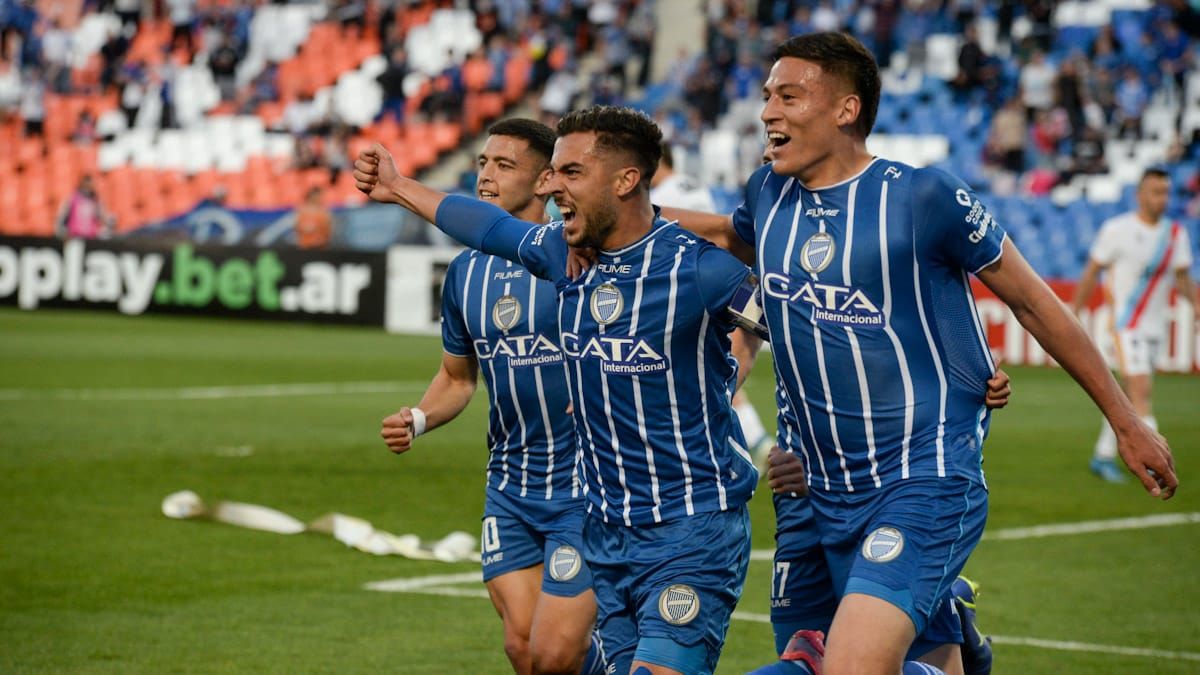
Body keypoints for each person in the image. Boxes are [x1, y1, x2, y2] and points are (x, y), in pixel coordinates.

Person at [658, 32, 1176, 675]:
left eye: (789, 96)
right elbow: (728, 240)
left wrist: (1127, 422)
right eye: (767, 96)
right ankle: (952, 639)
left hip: (919, 479)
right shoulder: (768, 191)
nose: (768, 111)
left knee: (845, 667)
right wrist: (622, 218)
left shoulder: (923, 196)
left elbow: (1035, 301)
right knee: (828, 662)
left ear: (845, 110)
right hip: (807, 488)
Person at [358, 105, 761, 675]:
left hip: (691, 527)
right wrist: (399, 187)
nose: (552, 185)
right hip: (605, 526)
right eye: (552, 171)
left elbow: (790, 331)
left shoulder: (697, 269)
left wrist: (740, 383)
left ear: (624, 181)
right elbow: (484, 226)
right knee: (550, 658)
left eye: (569, 172)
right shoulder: (558, 255)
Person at [377, 119, 603, 675]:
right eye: (482, 163)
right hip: (510, 485)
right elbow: (457, 378)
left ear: (547, 179)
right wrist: (420, 417)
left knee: (557, 653)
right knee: (522, 649)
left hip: (585, 485)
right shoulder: (463, 273)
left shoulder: (579, 257)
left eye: (505, 166)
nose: (486, 175)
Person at [649, 140, 773, 466]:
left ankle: (741, 447)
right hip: (722, 278)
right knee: (721, 369)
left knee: (698, 374)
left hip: (689, 288)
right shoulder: (691, 184)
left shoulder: (662, 197)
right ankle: (754, 445)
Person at [1071, 168, 1195, 483]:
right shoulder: (1117, 230)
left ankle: (1102, 456)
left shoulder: (1175, 235)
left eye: (1166, 192)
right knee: (1141, 393)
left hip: (1155, 329)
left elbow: (1182, 280)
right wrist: (1074, 311)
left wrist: (1196, 306)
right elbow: (1092, 271)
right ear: (1139, 195)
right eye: (1155, 192)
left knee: (1126, 397)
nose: (1162, 199)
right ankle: (1158, 464)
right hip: (1126, 326)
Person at [55, 175, 113, 240]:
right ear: (82, 184)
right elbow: (63, 214)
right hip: (74, 235)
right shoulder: (73, 198)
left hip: (91, 237)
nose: (89, 187)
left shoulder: (95, 200)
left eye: (91, 184)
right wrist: (61, 229)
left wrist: (109, 221)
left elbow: (102, 216)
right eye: (87, 184)